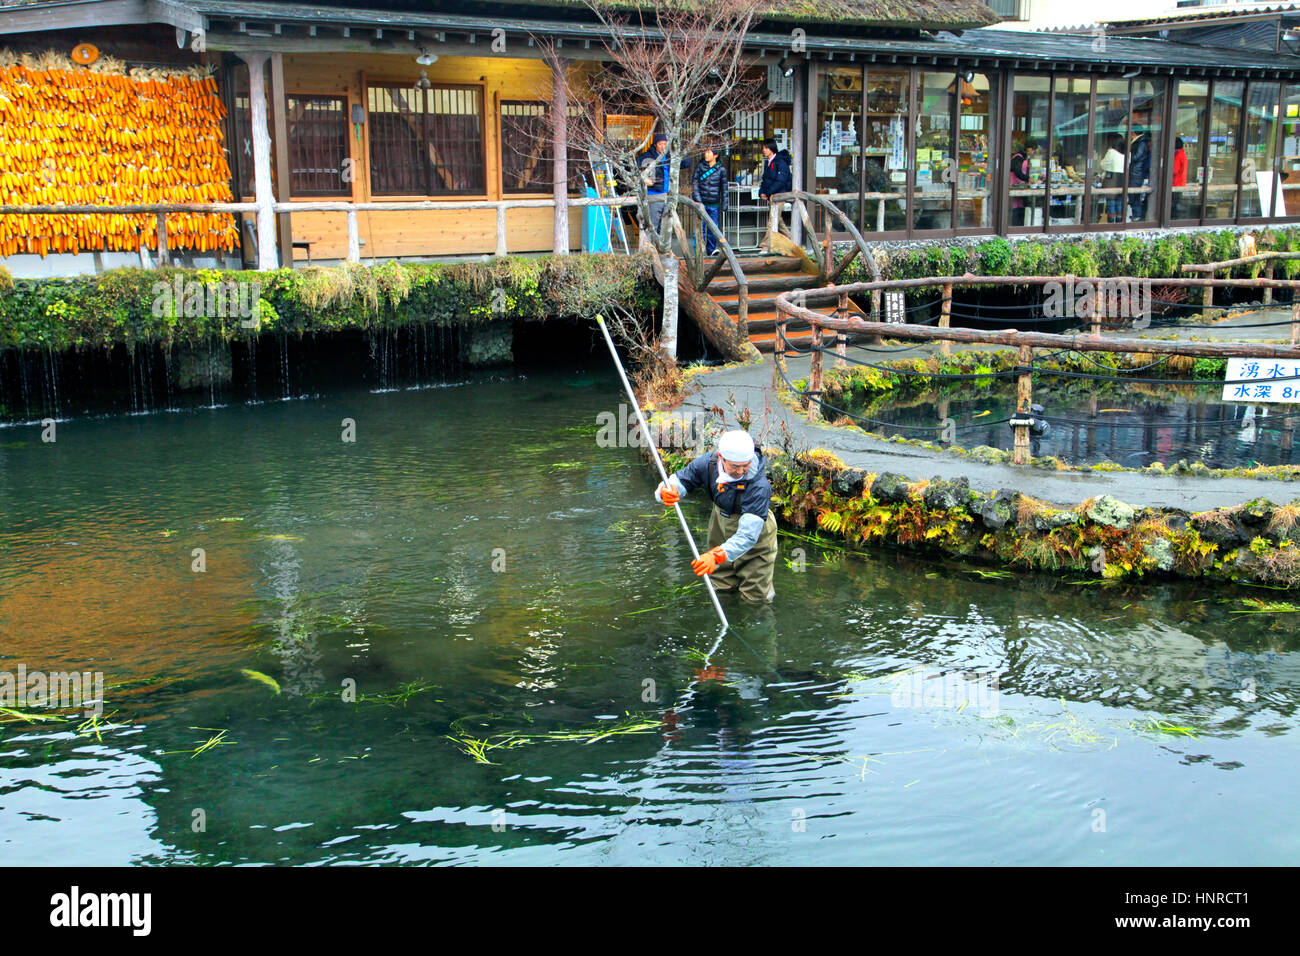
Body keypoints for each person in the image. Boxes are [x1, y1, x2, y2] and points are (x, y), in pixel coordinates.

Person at [654, 429, 777, 605]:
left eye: (745, 465)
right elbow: (680, 481)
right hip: (720, 521)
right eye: (735, 466)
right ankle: (725, 605)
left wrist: (717, 555)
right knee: (720, 582)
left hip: (755, 531)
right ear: (721, 457)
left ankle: (754, 618)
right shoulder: (708, 464)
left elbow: (748, 536)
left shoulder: (759, 486)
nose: (740, 471)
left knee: (755, 592)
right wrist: (665, 491)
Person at [638, 133, 690, 240]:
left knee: (666, 227)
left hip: (668, 195)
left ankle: (663, 252)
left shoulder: (670, 156)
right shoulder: (648, 156)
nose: (663, 146)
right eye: (660, 144)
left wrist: (678, 148)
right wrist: (644, 178)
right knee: (653, 226)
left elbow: (686, 163)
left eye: (665, 144)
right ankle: (651, 251)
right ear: (655, 144)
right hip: (654, 195)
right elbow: (636, 169)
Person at [692, 146, 728, 256]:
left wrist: (725, 205)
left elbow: (724, 189)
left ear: (716, 155)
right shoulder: (700, 167)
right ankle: (698, 252)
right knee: (699, 230)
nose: (706, 154)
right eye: (706, 151)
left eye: (709, 152)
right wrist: (698, 200)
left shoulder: (721, 169)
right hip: (700, 204)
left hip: (714, 204)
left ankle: (711, 250)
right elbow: (695, 184)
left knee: (713, 229)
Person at [1009, 138, 1040, 227]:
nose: (1033, 152)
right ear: (1028, 148)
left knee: (1019, 205)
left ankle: (1019, 226)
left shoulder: (1024, 158)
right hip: (1013, 184)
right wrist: (1028, 179)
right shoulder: (1018, 157)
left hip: (1019, 185)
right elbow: (1018, 172)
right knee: (1014, 207)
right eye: (1032, 149)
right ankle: (1013, 226)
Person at [1128, 122, 1152, 221]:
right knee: (1133, 194)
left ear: (1133, 132)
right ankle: (1136, 214)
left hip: (1136, 172)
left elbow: (1136, 156)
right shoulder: (1139, 141)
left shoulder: (1141, 142)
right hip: (1136, 171)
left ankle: (1137, 215)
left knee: (1134, 194)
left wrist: (1127, 157)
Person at [1099, 134, 1126, 223]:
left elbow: (1102, 165)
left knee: (1111, 201)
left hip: (1112, 178)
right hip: (1123, 178)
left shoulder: (1111, 152)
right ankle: (1119, 221)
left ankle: (1111, 222)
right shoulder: (1127, 152)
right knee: (1119, 201)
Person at [1171, 136, 1188, 219]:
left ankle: (1173, 219)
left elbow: (1174, 171)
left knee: (1173, 204)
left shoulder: (1177, 156)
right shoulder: (1183, 154)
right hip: (1181, 182)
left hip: (1175, 183)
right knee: (1176, 202)